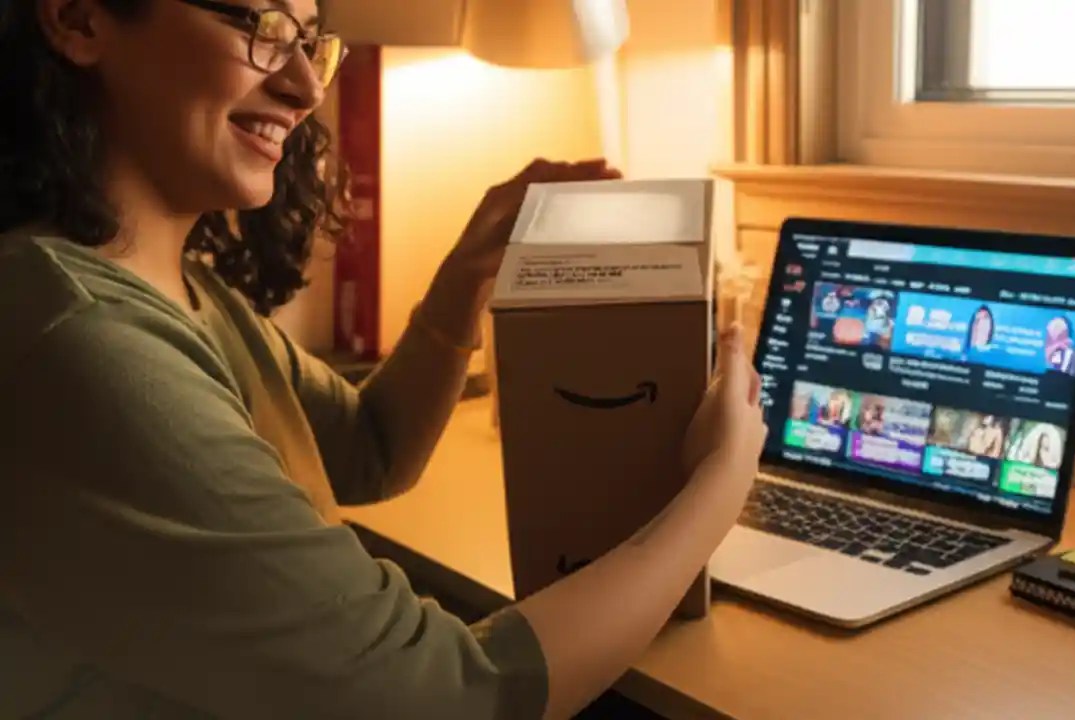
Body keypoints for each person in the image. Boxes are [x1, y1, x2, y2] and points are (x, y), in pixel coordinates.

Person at [0, 2, 767, 719]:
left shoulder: (177, 287)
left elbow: (369, 450)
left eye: (307, 41)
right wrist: (718, 490)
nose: (304, 87)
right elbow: (449, 695)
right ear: (77, 18)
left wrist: (460, 280)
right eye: (260, 24)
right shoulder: (83, 339)